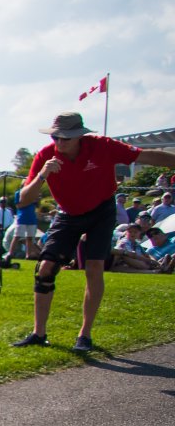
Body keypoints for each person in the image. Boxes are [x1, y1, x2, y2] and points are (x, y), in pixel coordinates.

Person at [12, 112, 174, 350]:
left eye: (66, 137)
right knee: (45, 269)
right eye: (56, 136)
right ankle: (39, 333)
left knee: (94, 266)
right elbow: (24, 200)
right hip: (68, 213)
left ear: (80, 135)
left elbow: (145, 155)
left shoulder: (102, 146)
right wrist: (42, 175)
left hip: (101, 210)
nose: (60, 142)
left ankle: (84, 335)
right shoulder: (46, 156)